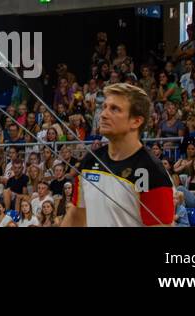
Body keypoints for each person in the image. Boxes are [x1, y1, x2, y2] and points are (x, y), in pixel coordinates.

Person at [62, 82, 172, 227]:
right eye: (104, 107)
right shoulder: (90, 160)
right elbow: (76, 216)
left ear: (136, 121)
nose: (103, 114)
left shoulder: (152, 171)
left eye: (114, 109)